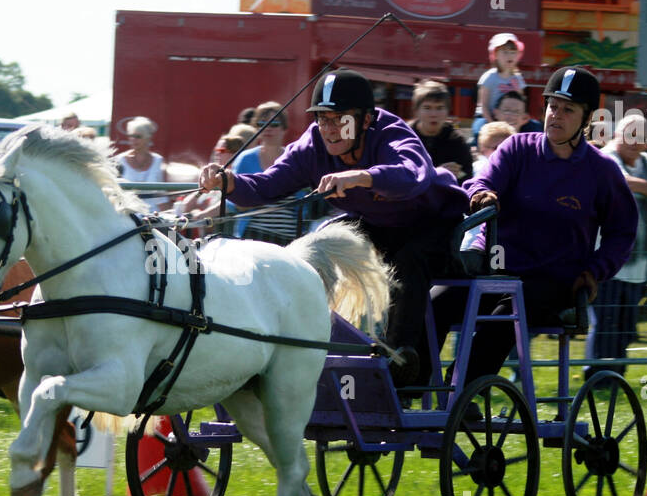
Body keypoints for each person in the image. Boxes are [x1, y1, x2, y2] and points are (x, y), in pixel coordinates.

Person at [198, 68, 469, 387]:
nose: (329, 129)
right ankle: (296, 345)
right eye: (323, 119)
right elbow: (267, 186)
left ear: (366, 119)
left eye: (341, 118)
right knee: (317, 247)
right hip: (378, 225)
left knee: (409, 261)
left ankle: (402, 362)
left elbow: (412, 174)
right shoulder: (311, 146)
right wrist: (227, 181)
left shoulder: (390, 130)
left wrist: (360, 176)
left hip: (435, 226)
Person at [431, 66, 638, 385]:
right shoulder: (517, 148)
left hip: (554, 283)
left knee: (506, 315)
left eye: (568, 109)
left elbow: (622, 231)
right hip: (495, 270)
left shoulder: (602, 171)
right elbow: (481, 180)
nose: (556, 115)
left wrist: (595, 270)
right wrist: (481, 193)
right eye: (553, 106)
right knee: (436, 301)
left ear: (587, 119)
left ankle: (459, 391)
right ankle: (409, 383)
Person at [584, 115, 647, 378]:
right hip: (604, 260)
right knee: (605, 323)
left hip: (637, 263)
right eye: (628, 134)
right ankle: (596, 376)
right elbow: (625, 183)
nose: (633, 141)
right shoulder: (606, 157)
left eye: (639, 137)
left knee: (626, 326)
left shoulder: (646, 163)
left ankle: (616, 375)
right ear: (617, 135)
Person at [231, 102, 307, 243]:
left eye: (274, 124)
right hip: (252, 237)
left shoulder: (295, 158)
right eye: (262, 123)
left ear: (284, 128)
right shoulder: (244, 159)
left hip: (289, 240)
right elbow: (234, 203)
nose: (267, 128)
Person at [409, 80, 474, 183]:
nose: (433, 114)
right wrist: (437, 173)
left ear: (448, 111)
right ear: (416, 110)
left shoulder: (456, 141)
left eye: (439, 108)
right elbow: (400, 175)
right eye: (427, 108)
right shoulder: (405, 137)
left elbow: (467, 178)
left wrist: (456, 175)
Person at [472, 33, 526, 142]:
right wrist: (492, 123)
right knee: (479, 130)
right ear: (495, 55)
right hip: (487, 116)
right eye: (505, 52)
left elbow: (521, 102)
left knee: (534, 127)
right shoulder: (489, 77)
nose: (509, 56)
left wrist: (520, 120)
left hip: (509, 116)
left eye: (513, 52)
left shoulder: (518, 79)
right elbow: (484, 106)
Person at [116, 117, 168, 212]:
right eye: (131, 136)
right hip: (127, 215)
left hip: (152, 216)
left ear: (148, 138)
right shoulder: (120, 160)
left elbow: (161, 196)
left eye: (138, 136)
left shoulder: (158, 160)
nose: (133, 139)